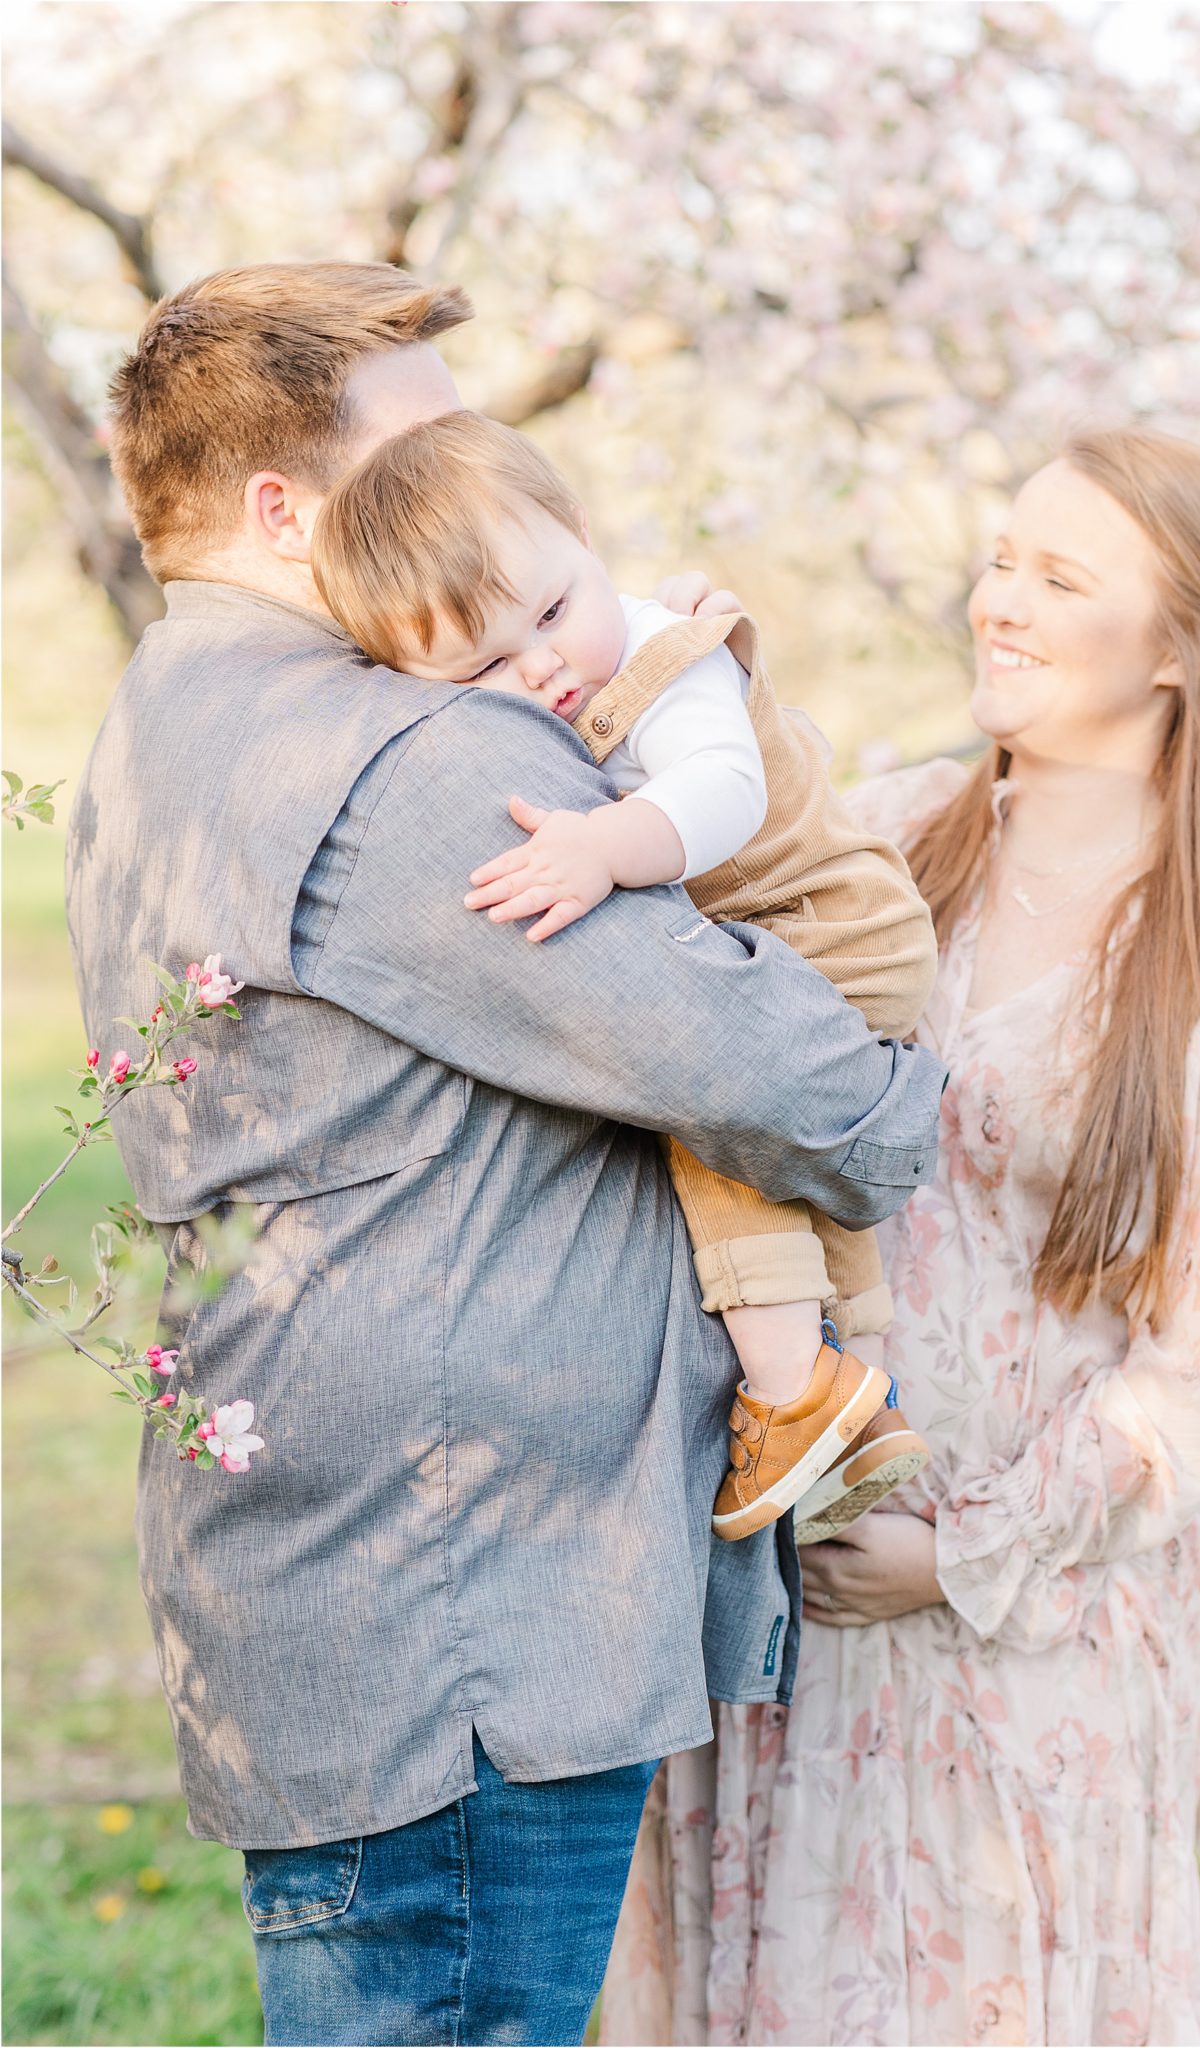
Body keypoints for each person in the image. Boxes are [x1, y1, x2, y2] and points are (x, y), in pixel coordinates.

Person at [64, 262, 949, 2048]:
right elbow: (806, 1095)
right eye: (431, 438)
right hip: (467, 1612)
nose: (484, 465)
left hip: (341, 1586)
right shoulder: (405, 747)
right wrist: (886, 1067)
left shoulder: (156, 730)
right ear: (281, 504)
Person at [600, 428, 1200, 2047]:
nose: (999, 598)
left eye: (1062, 577)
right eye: (1004, 554)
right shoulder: (892, 832)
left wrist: (960, 1554)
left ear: (1187, 649)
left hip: (1026, 1619)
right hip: (783, 1552)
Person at [310, 408, 936, 1544]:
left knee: (717, 1114)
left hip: (833, 922)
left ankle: (792, 1390)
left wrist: (605, 847)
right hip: (798, 928)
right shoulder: (575, 655)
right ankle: (865, 1389)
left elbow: (719, 792)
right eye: (487, 664)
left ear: (586, 537)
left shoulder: (662, 660)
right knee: (792, 1168)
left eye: (552, 611)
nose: (543, 664)